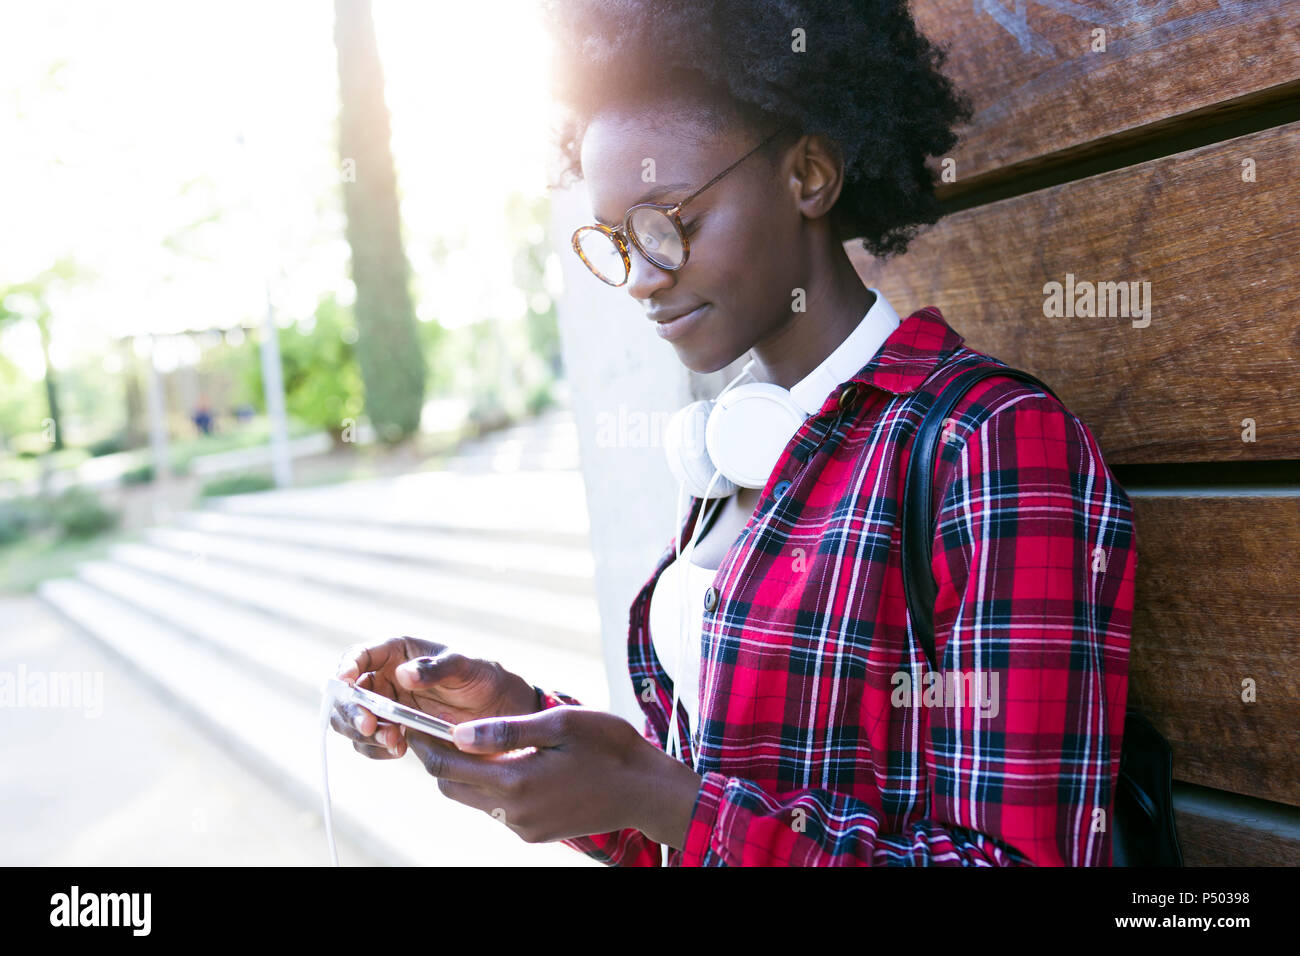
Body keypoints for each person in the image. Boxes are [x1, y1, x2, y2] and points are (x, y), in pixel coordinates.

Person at [330, 0, 1137, 866]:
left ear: (810, 176)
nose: (640, 279)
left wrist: (659, 795)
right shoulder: (738, 453)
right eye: (615, 241)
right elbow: (701, 815)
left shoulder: (988, 447)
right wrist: (515, 720)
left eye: (668, 223)